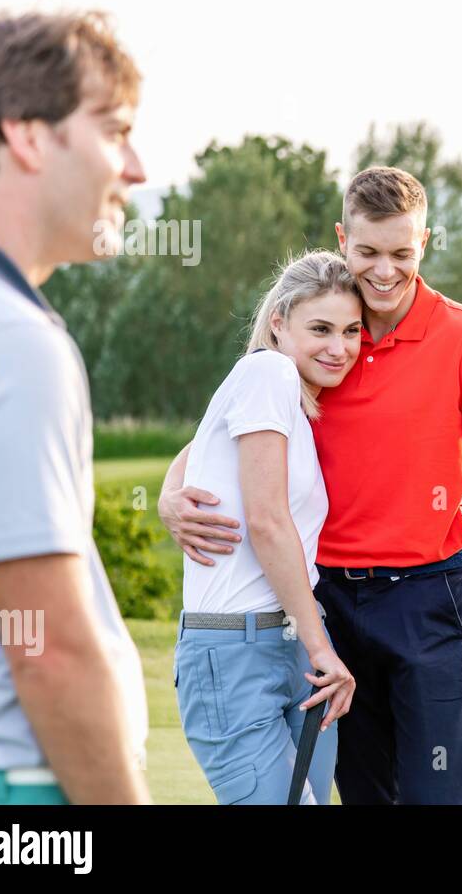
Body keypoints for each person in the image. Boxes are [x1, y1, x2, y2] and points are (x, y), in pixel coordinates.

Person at [161, 166, 462, 804]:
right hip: (326, 608)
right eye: (369, 253)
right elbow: (223, 435)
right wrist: (170, 491)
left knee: (441, 794)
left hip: (427, 601)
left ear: (425, 244)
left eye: (402, 254)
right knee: (362, 794)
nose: (385, 271)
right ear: (341, 239)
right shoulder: (325, 339)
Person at [0, 9, 150, 804]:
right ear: (27, 135)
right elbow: (49, 650)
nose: (134, 166)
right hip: (5, 796)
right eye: (114, 129)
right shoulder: (12, 341)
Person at [172, 250, 360, 805]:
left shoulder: (293, 401)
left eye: (351, 331)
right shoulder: (267, 371)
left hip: (291, 649)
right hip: (234, 650)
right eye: (320, 328)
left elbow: (201, 445)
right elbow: (267, 521)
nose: (339, 346)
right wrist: (321, 646)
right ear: (278, 322)